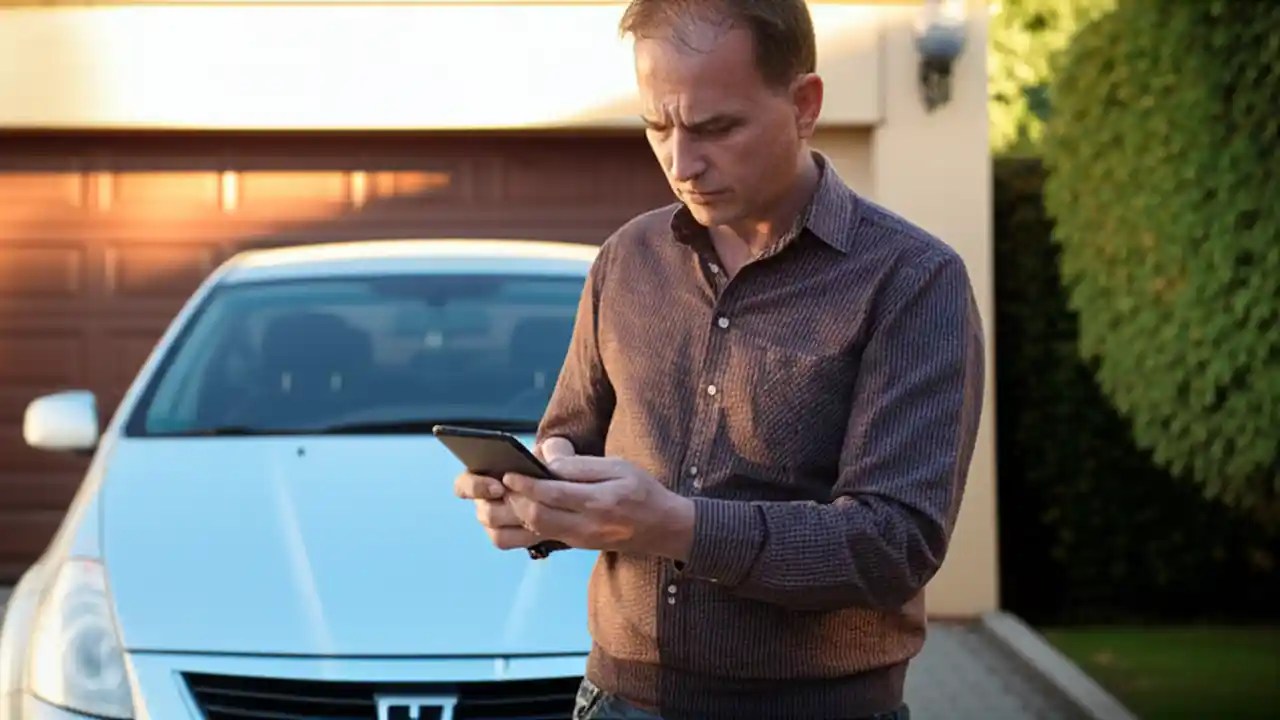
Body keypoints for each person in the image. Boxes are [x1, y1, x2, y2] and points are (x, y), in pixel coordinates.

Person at [453, 0, 986, 717]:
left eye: (716, 127)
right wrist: (533, 503)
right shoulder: (626, 260)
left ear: (805, 104)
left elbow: (894, 544)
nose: (681, 162)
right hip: (616, 701)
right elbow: (570, 436)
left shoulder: (912, 281)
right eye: (656, 125)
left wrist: (676, 525)